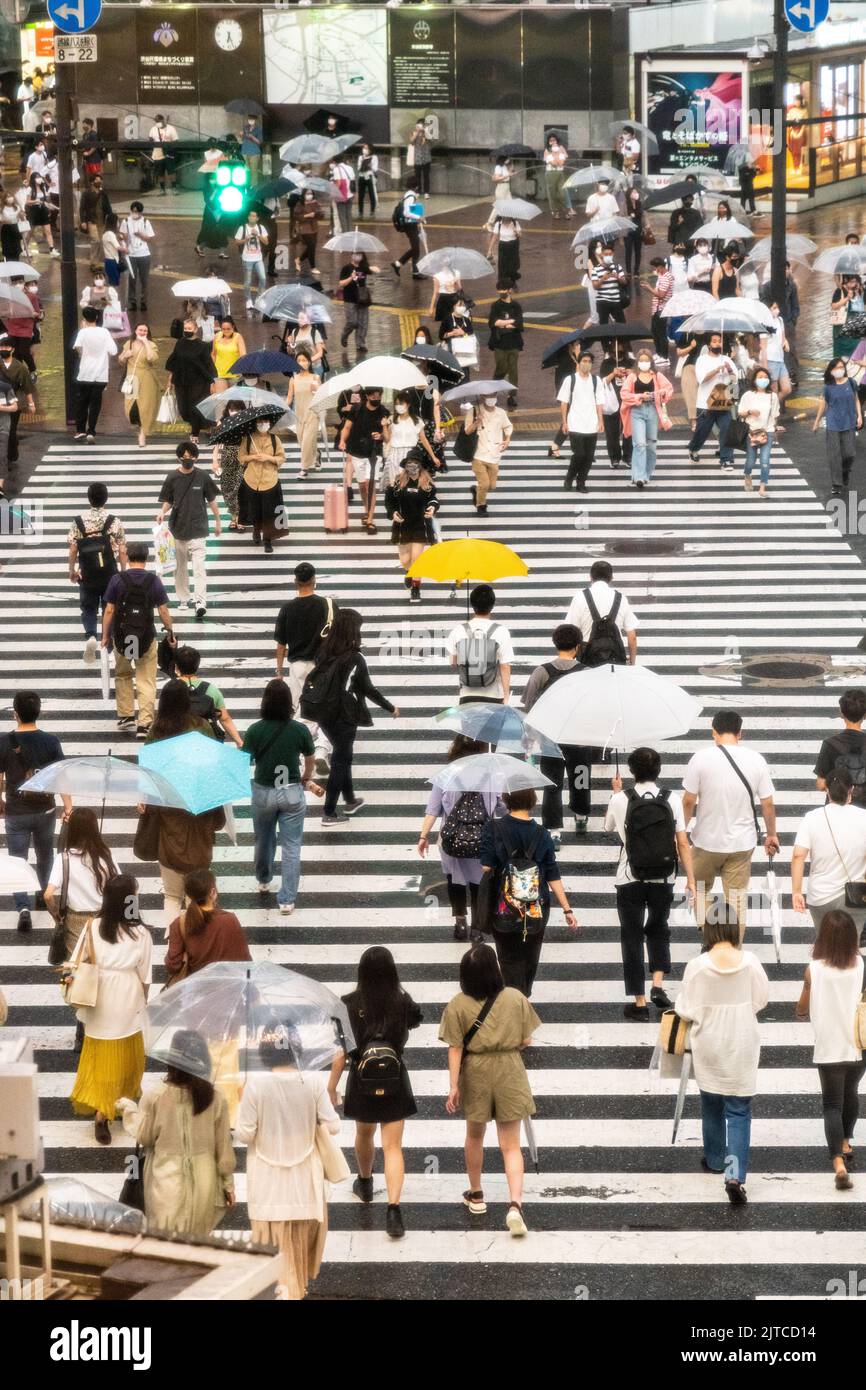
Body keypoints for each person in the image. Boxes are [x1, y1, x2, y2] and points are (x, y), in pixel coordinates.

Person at [235, 1022, 341, 1301]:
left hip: (267, 1190)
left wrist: (239, 1100)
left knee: (275, 1268)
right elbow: (333, 1127)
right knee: (297, 1262)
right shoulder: (313, 1083)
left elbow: (245, 1134)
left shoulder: (255, 1086)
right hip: (304, 1188)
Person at [440, 945, 541, 1235]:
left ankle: (476, 1194)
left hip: (477, 1071)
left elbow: (455, 1047)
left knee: (475, 1135)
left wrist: (453, 1085)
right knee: (510, 1144)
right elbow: (527, 1040)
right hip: (509, 1068)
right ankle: (515, 1206)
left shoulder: (457, 1005)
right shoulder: (514, 998)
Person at [675, 910, 769, 1205]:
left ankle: (715, 1159)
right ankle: (734, 1174)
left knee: (711, 1102)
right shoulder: (751, 962)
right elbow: (761, 999)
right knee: (739, 1110)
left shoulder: (698, 966)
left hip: (709, 1042)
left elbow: (686, 1008)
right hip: (742, 1040)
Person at [333, 947, 423, 1240]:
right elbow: (415, 1021)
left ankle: (366, 1182)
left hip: (361, 1079)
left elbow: (340, 1051)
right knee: (393, 1146)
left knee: (364, 1133)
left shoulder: (348, 1004)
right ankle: (394, 1209)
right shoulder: (402, 1001)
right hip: (395, 1077)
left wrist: (331, 1086)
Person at [605, 747, 696, 1019]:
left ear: (632, 771)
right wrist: (690, 879)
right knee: (659, 928)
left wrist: (615, 792)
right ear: (659, 770)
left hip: (629, 876)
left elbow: (609, 827)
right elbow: (681, 842)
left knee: (631, 935)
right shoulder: (672, 799)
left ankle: (640, 1002)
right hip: (664, 875)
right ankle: (657, 983)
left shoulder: (621, 799)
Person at [120, 1028, 236, 1235]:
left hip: (166, 1180)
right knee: (197, 1243)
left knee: (167, 1246)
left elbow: (145, 1136)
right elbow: (223, 1148)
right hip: (204, 1181)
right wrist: (228, 1185)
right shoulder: (216, 1098)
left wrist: (129, 1110)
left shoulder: (156, 1095)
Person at [67, 873, 153, 1147]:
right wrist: (144, 1002)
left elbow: (76, 960)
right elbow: (146, 975)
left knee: (100, 1055)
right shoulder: (140, 933)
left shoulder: (93, 927)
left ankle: (102, 1113)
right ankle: (115, 1105)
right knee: (128, 1053)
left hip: (99, 997)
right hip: (128, 996)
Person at [681, 710, 779, 944]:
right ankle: (734, 947)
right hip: (741, 843)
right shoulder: (756, 760)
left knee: (701, 889)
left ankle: (709, 941)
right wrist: (771, 834)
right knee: (736, 897)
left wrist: (681, 832)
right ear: (740, 733)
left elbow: (688, 800)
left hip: (706, 841)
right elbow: (767, 803)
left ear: (713, 732)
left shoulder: (700, 758)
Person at [300, 607, 399, 826]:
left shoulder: (323, 650)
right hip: (344, 715)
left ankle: (351, 800)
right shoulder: (355, 657)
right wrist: (390, 707)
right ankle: (329, 812)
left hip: (323, 712)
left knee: (342, 757)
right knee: (340, 761)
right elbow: (368, 688)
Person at [138, 684, 224, 926]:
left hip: (168, 810)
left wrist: (145, 797)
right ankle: (200, 941)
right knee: (196, 894)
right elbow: (213, 764)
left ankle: (173, 943)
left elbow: (149, 768)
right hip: (200, 808)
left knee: (171, 895)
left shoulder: (158, 730)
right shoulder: (201, 727)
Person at [479, 788, 577, 996]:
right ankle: (523, 997)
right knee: (530, 959)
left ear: (507, 800)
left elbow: (487, 866)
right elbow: (552, 874)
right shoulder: (542, 833)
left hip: (503, 905)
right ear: (532, 800)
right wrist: (567, 910)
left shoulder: (493, 827)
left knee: (507, 958)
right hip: (535, 908)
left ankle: (515, 1003)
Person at [795, 910, 865, 1190]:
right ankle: (846, 1141)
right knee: (851, 1094)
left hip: (828, 1045)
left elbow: (801, 1008)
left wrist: (803, 1009)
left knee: (832, 1104)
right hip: (859, 1043)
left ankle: (838, 1161)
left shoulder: (814, 969)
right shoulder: (862, 965)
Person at [243, 679, 317, 914]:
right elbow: (310, 757)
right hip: (292, 791)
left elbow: (245, 760)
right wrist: (306, 777)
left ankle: (264, 879)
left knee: (263, 840)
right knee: (292, 846)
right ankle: (286, 899)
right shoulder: (299, 729)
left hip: (264, 792)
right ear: (289, 703)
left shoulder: (255, 730)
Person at [0, 690, 71, 933]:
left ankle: (22, 908)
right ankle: (44, 894)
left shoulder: (4, 741)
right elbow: (61, 775)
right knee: (45, 855)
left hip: (16, 810)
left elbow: (0, 777)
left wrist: (0, 799)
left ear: (15, 713)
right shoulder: (51, 741)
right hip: (45, 810)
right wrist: (68, 806)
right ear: (39, 712)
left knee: (18, 859)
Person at [418, 736, 501, 942]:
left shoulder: (446, 775)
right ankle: (476, 928)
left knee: (454, 880)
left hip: (451, 840)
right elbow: (502, 808)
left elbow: (432, 810)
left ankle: (460, 922)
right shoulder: (492, 777)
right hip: (482, 840)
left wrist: (423, 836)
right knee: (478, 884)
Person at [522, 625, 593, 846]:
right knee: (580, 777)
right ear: (578, 646)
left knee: (552, 784)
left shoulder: (541, 672)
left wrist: (530, 738)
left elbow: (529, 705)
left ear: (556, 644)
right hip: (579, 739)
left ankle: (553, 831)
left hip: (550, 737)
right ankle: (581, 815)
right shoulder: (586, 673)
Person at [101, 540, 175, 739]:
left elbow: (109, 609)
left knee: (123, 674)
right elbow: (163, 609)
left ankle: (126, 715)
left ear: (127, 556)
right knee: (146, 680)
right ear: (146, 557)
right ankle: (145, 723)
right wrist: (170, 631)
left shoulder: (117, 580)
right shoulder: (153, 581)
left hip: (123, 636)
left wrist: (105, 635)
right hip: (145, 637)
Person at [274, 561, 334, 775]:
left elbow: (281, 645)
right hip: (324, 665)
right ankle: (322, 749)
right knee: (328, 709)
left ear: (295, 582)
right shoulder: (327, 605)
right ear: (314, 581)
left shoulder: (287, 609)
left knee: (303, 711)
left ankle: (306, 753)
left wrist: (279, 670)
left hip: (297, 665)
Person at [792, 768, 866, 940]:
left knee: (824, 941)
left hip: (820, 895)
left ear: (826, 790)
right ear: (852, 789)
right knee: (851, 943)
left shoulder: (812, 818)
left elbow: (798, 856)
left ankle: (822, 966)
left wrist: (796, 891)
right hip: (855, 895)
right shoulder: (863, 817)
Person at [155, 442, 221, 622]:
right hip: (178, 530)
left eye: (190, 457)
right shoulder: (171, 478)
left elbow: (212, 500)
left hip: (199, 529)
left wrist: (217, 521)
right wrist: (162, 512)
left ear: (196, 457)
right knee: (180, 568)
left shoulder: (203, 476)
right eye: (184, 457)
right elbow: (168, 500)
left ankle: (200, 602)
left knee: (199, 568)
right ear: (179, 458)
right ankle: (183, 598)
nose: (187, 460)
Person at [45, 807, 116, 958]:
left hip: (75, 920)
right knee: (102, 964)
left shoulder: (63, 858)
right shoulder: (105, 856)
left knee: (77, 969)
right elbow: (123, 884)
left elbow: (48, 895)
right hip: (103, 917)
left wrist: (55, 914)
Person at [68, 481, 127, 662]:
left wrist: (72, 571)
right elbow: (123, 550)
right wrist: (123, 572)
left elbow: (73, 549)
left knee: (88, 608)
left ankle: (91, 636)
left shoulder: (78, 522)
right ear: (105, 498)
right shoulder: (114, 521)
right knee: (110, 609)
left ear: (89, 498)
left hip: (87, 574)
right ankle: (107, 647)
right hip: (109, 574)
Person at [164, 870, 251, 979]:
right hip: (228, 988)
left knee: (171, 898)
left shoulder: (179, 924)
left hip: (198, 990)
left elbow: (173, 966)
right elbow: (245, 961)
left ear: (189, 896)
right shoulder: (229, 919)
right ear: (213, 892)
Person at [446, 584, 514, 707]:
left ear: (472, 605)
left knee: (469, 727)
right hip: (493, 697)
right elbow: (505, 666)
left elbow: (453, 662)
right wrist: (506, 696)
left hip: (467, 696)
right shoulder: (501, 631)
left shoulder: (459, 630)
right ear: (492, 605)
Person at [384, 456, 439, 603]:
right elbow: (389, 501)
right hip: (403, 524)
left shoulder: (427, 483)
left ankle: (416, 588)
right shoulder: (397, 483)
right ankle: (409, 571)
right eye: (409, 463)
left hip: (420, 525)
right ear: (405, 466)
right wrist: (392, 513)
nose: (412, 466)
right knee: (405, 560)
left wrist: (433, 507)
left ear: (420, 465)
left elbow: (433, 499)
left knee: (417, 558)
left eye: (415, 463)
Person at [339, 387, 391, 534]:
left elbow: (387, 438)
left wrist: (380, 434)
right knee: (362, 485)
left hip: (374, 453)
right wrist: (342, 441)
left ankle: (370, 519)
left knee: (370, 484)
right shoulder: (356, 409)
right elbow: (347, 427)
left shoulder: (384, 412)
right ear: (367, 396)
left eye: (379, 396)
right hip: (356, 451)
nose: (377, 399)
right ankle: (366, 510)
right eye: (374, 396)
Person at [565, 560, 638, 665]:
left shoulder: (580, 597)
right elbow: (632, 636)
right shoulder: (621, 598)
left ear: (590, 577)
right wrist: (632, 662)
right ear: (611, 578)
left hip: (587, 659)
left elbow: (570, 631)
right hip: (615, 660)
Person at [620, 351, 673, 489]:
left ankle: (646, 474)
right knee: (639, 444)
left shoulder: (657, 376)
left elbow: (668, 390)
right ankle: (639, 477)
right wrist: (639, 397)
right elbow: (624, 394)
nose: (644, 362)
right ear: (637, 362)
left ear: (651, 361)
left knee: (651, 446)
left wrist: (660, 394)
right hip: (637, 411)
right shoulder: (632, 376)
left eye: (647, 360)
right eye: (641, 360)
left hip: (653, 411)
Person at [171, 645, 243, 747]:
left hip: (179, 740)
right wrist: (239, 741)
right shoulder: (211, 689)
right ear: (197, 665)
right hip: (207, 741)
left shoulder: (170, 689)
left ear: (177, 667)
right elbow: (225, 719)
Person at [687, 331, 737, 470]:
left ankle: (726, 459)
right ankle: (693, 448)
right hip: (705, 403)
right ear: (709, 344)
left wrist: (729, 371)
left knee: (726, 429)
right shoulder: (702, 360)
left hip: (723, 402)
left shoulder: (727, 360)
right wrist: (716, 370)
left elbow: (735, 380)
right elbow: (701, 379)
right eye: (714, 341)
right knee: (702, 431)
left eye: (719, 341)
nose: (717, 343)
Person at [556, 349, 604, 493]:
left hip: (591, 424)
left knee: (589, 457)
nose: (587, 364)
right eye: (584, 361)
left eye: (589, 362)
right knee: (579, 454)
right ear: (579, 362)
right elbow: (563, 402)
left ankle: (581, 481)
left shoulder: (596, 381)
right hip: (575, 423)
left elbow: (599, 402)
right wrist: (564, 422)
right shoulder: (570, 380)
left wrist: (600, 421)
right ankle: (569, 477)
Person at [813, 356, 861, 499]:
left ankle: (845, 472)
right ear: (831, 371)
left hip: (849, 423)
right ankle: (837, 484)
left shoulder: (851, 383)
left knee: (849, 454)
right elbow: (823, 404)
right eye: (836, 368)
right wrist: (817, 421)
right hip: (833, 424)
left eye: (841, 367)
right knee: (834, 456)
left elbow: (856, 400)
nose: (839, 370)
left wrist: (859, 416)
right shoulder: (828, 386)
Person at [237, 418, 286, 553]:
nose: (262, 425)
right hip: (251, 480)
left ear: (269, 424)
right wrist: (252, 457)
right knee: (255, 509)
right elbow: (241, 457)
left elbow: (282, 458)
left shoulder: (275, 440)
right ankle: (256, 530)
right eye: (260, 422)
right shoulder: (248, 438)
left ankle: (268, 540)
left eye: (265, 422)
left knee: (269, 512)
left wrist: (268, 458)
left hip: (270, 481)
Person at [165, 318, 217, 443]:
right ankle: (204, 425)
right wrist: (169, 380)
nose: (187, 331)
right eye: (185, 329)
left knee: (194, 407)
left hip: (198, 381)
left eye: (189, 328)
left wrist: (212, 381)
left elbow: (208, 364)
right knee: (183, 409)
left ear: (196, 329)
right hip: (181, 380)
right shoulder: (180, 343)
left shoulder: (202, 346)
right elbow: (174, 361)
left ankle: (195, 432)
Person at [815, 688, 866, 810]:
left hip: (837, 810)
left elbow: (821, 784)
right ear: (864, 715)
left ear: (842, 713)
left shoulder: (830, 744)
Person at [72, 306, 117, 444]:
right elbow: (113, 351)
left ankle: (80, 430)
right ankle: (91, 430)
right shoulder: (104, 332)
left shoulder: (83, 333)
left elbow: (77, 347)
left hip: (85, 373)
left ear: (84, 318)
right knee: (95, 404)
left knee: (82, 403)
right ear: (97, 317)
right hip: (101, 375)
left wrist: (83, 353)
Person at [464, 393, 512, 515]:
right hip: (478, 454)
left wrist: (507, 440)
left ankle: (477, 490)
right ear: (482, 397)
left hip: (494, 454)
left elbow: (508, 426)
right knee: (484, 484)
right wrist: (476, 422)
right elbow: (467, 431)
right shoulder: (473, 411)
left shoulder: (501, 413)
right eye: (488, 396)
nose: (491, 398)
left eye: (493, 395)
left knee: (491, 486)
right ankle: (481, 506)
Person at [737, 364, 780, 497]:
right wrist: (750, 412)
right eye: (760, 377)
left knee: (765, 461)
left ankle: (762, 487)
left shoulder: (773, 396)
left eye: (766, 377)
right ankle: (747, 475)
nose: (763, 379)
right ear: (755, 380)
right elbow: (740, 413)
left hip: (768, 432)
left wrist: (775, 429)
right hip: (751, 432)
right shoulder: (748, 395)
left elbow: (775, 415)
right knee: (751, 460)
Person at [118, 323, 160, 449]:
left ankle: (142, 434)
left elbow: (151, 358)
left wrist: (146, 343)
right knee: (130, 407)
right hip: (131, 379)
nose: (142, 332)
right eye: (140, 330)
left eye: (145, 330)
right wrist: (125, 356)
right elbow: (120, 361)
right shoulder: (129, 343)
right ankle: (138, 425)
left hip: (146, 379)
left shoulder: (152, 345)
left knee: (145, 407)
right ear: (135, 331)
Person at [384, 390, 438, 487]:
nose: (398, 406)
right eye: (396, 404)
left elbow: (424, 440)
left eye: (401, 403)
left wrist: (433, 457)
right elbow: (387, 439)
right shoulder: (392, 419)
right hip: (394, 454)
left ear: (408, 404)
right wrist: (384, 426)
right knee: (394, 485)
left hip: (411, 455)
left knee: (410, 484)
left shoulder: (417, 421)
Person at [210, 398, 247, 529]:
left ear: (243, 410)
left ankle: (239, 518)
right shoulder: (223, 422)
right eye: (232, 409)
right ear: (228, 410)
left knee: (240, 487)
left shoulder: (247, 422)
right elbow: (216, 442)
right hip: (227, 456)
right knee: (227, 488)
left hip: (243, 457)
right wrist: (215, 461)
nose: (234, 412)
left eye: (237, 409)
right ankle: (233, 515)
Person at [0, 336, 35, 472]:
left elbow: (27, 387)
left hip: (15, 401)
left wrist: (31, 404)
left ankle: (10, 455)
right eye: (1, 347)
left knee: (11, 429)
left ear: (12, 350)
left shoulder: (20, 367)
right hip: (1, 399)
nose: (3, 350)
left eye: (6, 347)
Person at [487, 280, 523, 409]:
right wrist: (508, 323)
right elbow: (493, 322)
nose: (501, 292)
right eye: (499, 289)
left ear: (510, 290)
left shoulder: (516, 306)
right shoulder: (496, 306)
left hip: (514, 342)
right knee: (501, 366)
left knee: (513, 370)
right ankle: (493, 392)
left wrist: (503, 323)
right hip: (499, 342)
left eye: (503, 289)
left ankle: (511, 395)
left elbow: (518, 323)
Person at [338, 252, 378, 358]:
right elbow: (341, 283)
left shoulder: (363, 267)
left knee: (363, 323)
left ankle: (360, 344)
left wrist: (374, 268)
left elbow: (372, 271)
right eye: (356, 254)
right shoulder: (346, 268)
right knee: (352, 322)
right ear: (352, 255)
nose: (358, 257)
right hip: (349, 299)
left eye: (360, 255)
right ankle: (344, 335)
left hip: (362, 299)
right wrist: (351, 277)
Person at [119, 201, 154, 312]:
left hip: (144, 254)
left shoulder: (145, 222)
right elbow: (123, 236)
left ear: (140, 212)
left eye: (137, 212)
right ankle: (132, 301)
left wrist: (140, 234)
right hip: (131, 254)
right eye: (133, 211)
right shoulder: (125, 221)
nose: (134, 214)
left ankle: (144, 302)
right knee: (132, 279)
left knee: (144, 280)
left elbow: (149, 238)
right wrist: (123, 237)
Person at [391, 176, 425, 279]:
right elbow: (407, 212)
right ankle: (413, 271)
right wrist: (419, 217)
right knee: (416, 248)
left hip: (410, 224)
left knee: (416, 248)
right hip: (410, 225)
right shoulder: (411, 196)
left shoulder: (409, 194)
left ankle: (402, 265)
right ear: (416, 186)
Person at [235, 211, 268, 312]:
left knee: (263, 278)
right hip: (247, 258)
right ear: (248, 217)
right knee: (247, 281)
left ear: (257, 218)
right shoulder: (242, 228)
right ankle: (248, 300)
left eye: (254, 216)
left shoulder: (261, 228)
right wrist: (245, 239)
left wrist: (258, 235)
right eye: (250, 216)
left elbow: (266, 242)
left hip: (258, 258)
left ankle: (259, 298)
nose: (251, 218)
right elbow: (236, 242)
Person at [590, 245, 628, 324]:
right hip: (602, 301)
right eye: (606, 254)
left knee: (622, 325)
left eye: (610, 254)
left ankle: (619, 337)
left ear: (613, 254)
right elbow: (595, 286)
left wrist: (618, 277)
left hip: (616, 300)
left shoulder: (617, 267)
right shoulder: (596, 269)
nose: (608, 256)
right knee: (604, 326)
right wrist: (603, 278)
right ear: (602, 255)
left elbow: (624, 282)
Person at [78, 174, 112, 262]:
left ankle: (97, 260)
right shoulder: (87, 193)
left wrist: (111, 218)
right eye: (97, 180)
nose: (99, 182)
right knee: (95, 240)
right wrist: (83, 221)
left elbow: (108, 207)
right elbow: (82, 208)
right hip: (91, 221)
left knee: (101, 241)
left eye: (100, 180)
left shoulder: (103, 193)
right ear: (92, 182)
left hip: (102, 221)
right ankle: (94, 262)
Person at [648, 256, 674, 365]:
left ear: (660, 266)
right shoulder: (662, 276)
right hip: (657, 309)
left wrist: (648, 288)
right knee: (655, 332)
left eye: (655, 267)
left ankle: (664, 356)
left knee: (661, 333)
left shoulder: (665, 278)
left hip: (661, 309)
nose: (655, 270)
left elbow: (661, 295)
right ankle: (659, 353)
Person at [291, 189, 321, 276]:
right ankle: (313, 267)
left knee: (312, 247)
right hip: (304, 228)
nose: (309, 195)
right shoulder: (300, 204)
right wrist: (307, 215)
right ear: (304, 194)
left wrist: (318, 213)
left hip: (314, 227)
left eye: (311, 193)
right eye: (307, 193)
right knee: (311, 246)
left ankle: (299, 260)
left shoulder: (315, 203)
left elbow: (321, 215)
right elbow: (296, 216)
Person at [486, 215, 521, 287]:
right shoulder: (498, 224)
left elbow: (520, 235)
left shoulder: (515, 223)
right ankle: (502, 283)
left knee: (513, 265)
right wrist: (490, 250)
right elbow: (494, 237)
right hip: (503, 246)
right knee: (502, 266)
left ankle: (512, 281)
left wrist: (516, 232)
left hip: (513, 246)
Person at [543, 133, 571, 219]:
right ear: (548, 142)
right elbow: (554, 164)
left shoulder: (561, 148)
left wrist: (557, 154)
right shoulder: (547, 150)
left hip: (560, 173)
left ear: (557, 141)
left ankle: (565, 211)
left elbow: (561, 163)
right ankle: (556, 212)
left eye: (554, 140)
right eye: (550, 140)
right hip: (550, 173)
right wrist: (556, 154)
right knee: (552, 194)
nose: (552, 142)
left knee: (562, 193)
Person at [211, 316, 246, 385]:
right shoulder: (217, 336)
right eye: (223, 329)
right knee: (220, 395)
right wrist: (213, 368)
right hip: (219, 374)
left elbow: (243, 356)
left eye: (228, 329)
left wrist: (241, 369)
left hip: (234, 374)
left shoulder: (238, 337)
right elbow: (213, 354)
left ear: (233, 327)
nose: (226, 331)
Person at [148, 115, 178, 194]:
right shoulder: (153, 129)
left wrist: (169, 147)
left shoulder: (171, 128)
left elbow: (175, 141)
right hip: (157, 153)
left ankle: (174, 188)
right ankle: (162, 189)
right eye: (156, 121)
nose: (157, 123)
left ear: (163, 120)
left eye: (159, 121)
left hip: (168, 152)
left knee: (171, 171)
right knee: (160, 172)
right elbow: (150, 139)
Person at [623, 186, 644, 280]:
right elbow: (621, 216)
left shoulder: (639, 203)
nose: (635, 193)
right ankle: (628, 271)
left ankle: (636, 271)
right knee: (628, 251)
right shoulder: (625, 204)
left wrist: (647, 225)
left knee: (638, 251)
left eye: (636, 192)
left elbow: (643, 216)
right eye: (633, 192)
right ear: (629, 194)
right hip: (628, 231)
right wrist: (628, 217)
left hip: (638, 230)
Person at [408, 119, 432, 194]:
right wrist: (417, 133)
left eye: (422, 125)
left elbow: (430, 140)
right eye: (419, 125)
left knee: (426, 176)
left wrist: (425, 132)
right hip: (417, 159)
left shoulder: (427, 133)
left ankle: (426, 192)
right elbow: (411, 142)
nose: (420, 126)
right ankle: (418, 191)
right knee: (417, 176)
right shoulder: (413, 133)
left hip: (426, 158)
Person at [356, 143, 379, 217]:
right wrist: (362, 165)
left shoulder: (374, 157)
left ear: (370, 149)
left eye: (366, 148)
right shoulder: (360, 157)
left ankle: (372, 211)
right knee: (361, 195)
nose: (364, 150)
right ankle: (360, 211)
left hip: (370, 176)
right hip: (361, 176)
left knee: (372, 194)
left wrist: (369, 166)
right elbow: (358, 168)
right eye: (364, 148)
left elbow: (375, 168)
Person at [240, 113, 263, 182]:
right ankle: (246, 186)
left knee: (254, 171)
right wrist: (241, 135)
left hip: (254, 152)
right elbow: (243, 139)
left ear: (255, 120)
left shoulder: (259, 129)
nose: (250, 121)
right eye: (249, 119)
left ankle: (253, 187)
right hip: (244, 150)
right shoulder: (245, 127)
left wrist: (252, 137)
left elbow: (259, 142)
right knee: (245, 171)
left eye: (252, 119)